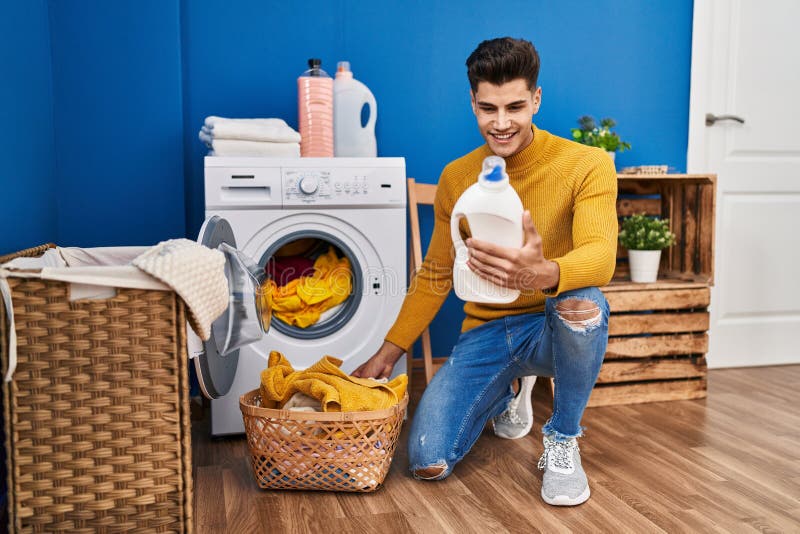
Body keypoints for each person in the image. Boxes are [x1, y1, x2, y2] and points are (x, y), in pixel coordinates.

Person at [352, 37, 617, 506]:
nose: (501, 123)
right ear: (472, 103)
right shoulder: (458, 177)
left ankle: (562, 436)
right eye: (487, 108)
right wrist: (387, 354)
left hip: (552, 328)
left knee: (584, 302)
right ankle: (507, 389)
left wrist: (544, 273)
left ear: (536, 99)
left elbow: (601, 255)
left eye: (515, 106)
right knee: (426, 460)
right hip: (487, 333)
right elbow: (436, 272)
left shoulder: (586, 165)